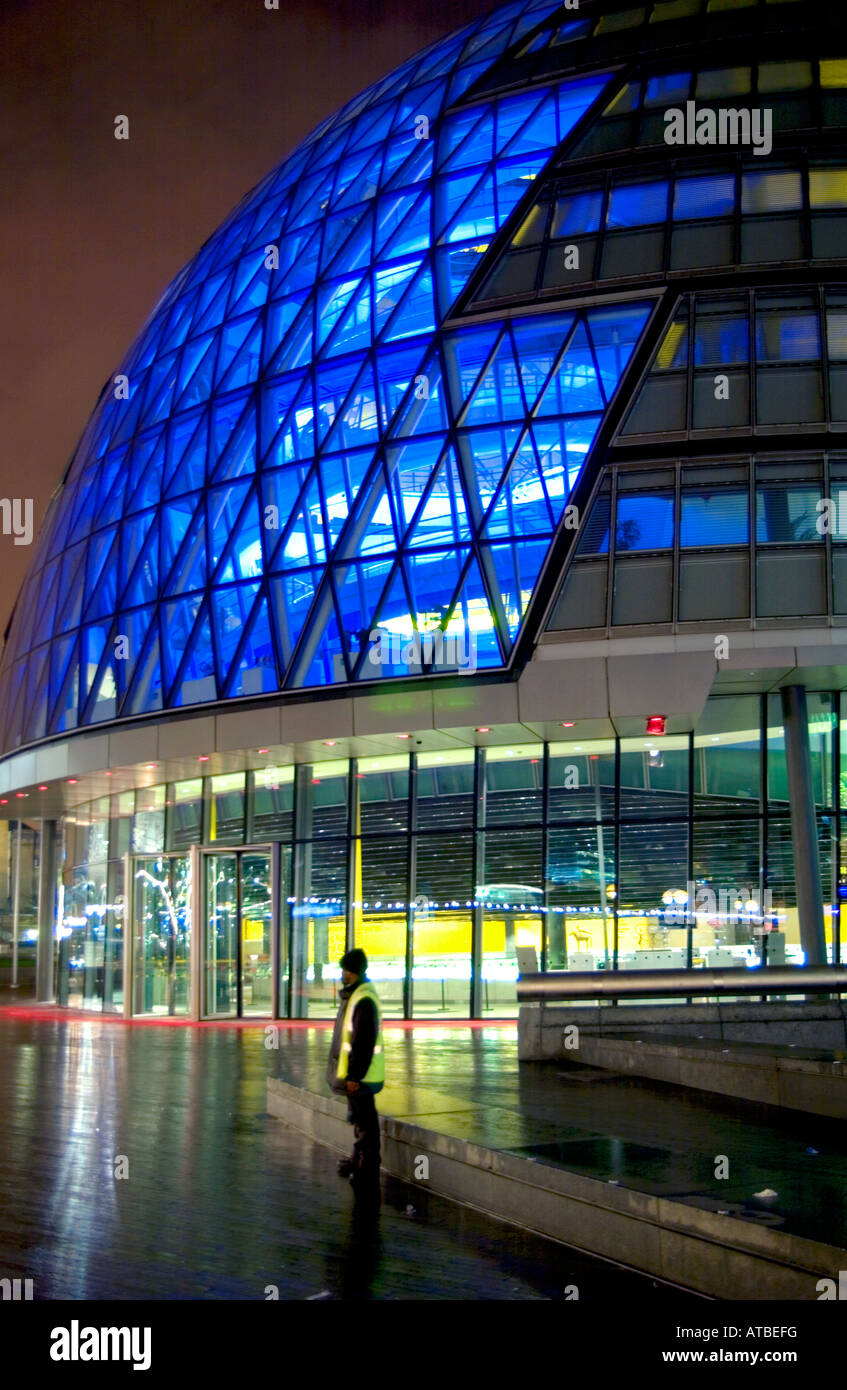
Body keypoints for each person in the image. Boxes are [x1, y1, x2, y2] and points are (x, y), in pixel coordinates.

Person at [326, 948, 384, 1200]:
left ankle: (367, 1169)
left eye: (346, 970)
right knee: (360, 1121)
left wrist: (354, 1076)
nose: (343, 975)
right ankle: (357, 1159)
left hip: (361, 1077)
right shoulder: (355, 996)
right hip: (356, 1075)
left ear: (356, 971)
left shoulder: (363, 999)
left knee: (366, 1124)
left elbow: (363, 1041)